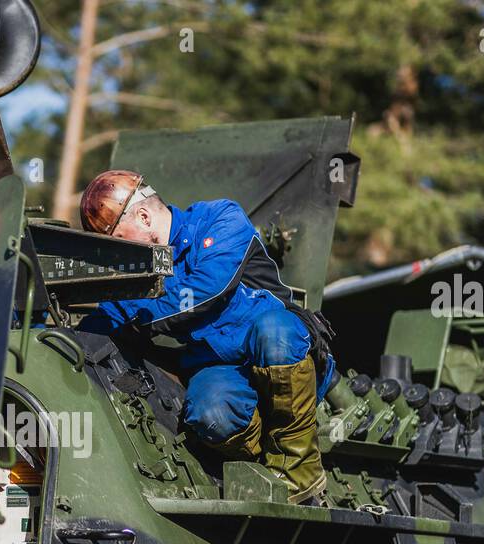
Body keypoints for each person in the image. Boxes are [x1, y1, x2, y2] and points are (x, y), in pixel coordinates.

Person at [77, 169, 338, 504]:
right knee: (208, 414)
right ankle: (264, 462)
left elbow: (206, 290)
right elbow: (106, 320)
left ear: (143, 216)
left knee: (273, 332)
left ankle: (300, 471)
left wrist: (140, 313)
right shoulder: (138, 271)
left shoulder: (220, 218)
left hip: (281, 349)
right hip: (221, 366)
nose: (116, 255)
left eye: (116, 240)